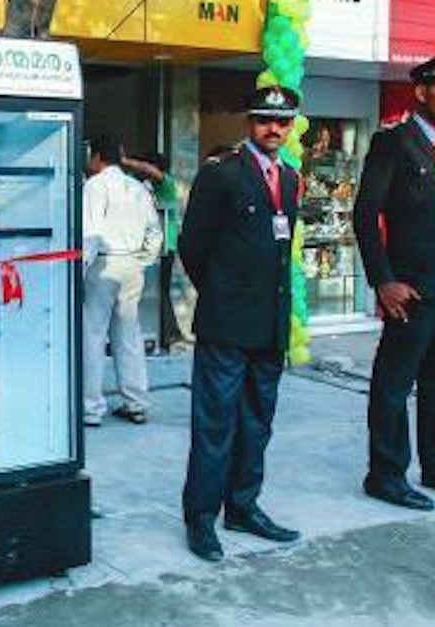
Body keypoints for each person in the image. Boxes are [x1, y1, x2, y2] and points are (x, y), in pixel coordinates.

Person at [352, 54, 435, 511]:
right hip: (409, 288)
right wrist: (383, 281)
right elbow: (365, 216)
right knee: (393, 383)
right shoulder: (394, 142)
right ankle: (385, 475)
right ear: (421, 91)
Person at [178, 86, 302, 562]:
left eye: (283, 121)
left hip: (269, 327)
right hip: (227, 325)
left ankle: (244, 506)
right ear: (249, 122)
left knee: (257, 423)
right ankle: (202, 518)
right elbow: (193, 247)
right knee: (215, 426)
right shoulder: (223, 174)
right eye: (265, 120)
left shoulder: (288, 178)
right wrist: (225, 293)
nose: (274, 129)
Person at [82, 134, 162, 427]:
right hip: (131, 263)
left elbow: (89, 234)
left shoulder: (94, 186)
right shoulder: (138, 187)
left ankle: (91, 408)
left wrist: (79, 272)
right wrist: (143, 260)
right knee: (128, 335)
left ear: (98, 157)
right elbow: (155, 232)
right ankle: (136, 403)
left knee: (92, 335)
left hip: (103, 263)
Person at [122, 152, 187, 349]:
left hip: (164, 247)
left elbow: (152, 173)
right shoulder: (141, 187)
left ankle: (167, 333)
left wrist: (128, 161)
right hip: (146, 247)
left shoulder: (166, 184)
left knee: (159, 291)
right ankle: (167, 332)